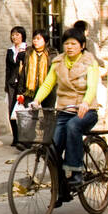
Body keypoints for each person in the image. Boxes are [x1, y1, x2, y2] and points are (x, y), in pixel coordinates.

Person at [31, 27, 100, 199]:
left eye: (73, 44)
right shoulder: (58, 62)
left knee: (73, 126)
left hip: (86, 111)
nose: (69, 47)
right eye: (67, 43)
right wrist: (37, 100)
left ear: (82, 45)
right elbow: (48, 84)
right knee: (52, 148)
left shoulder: (90, 62)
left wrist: (85, 102)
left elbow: (92, 87)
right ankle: (62, 190)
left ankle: (75, 171)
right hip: (64, 110)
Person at [4, 26, 27, 145]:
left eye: (17, 34)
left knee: (24, 112)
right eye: (13, 35)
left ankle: (25, 137)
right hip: (12, 84)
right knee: (11, 111)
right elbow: (8, 69)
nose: (14, 37)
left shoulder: (27, 49)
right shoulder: (10, 50)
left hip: (24, 85)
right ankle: (16, 137)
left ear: (22, 35)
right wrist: (6, 85)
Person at [23, 30, 54, 108]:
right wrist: (20, 91)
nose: (35, 41)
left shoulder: (52, 54)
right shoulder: (28, 53)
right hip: (30, 90)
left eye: (38, 39)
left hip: (48, 91)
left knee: (48, 115)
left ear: (45, 40)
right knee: (29, 116)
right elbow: (23, 72)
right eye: (34, 39)